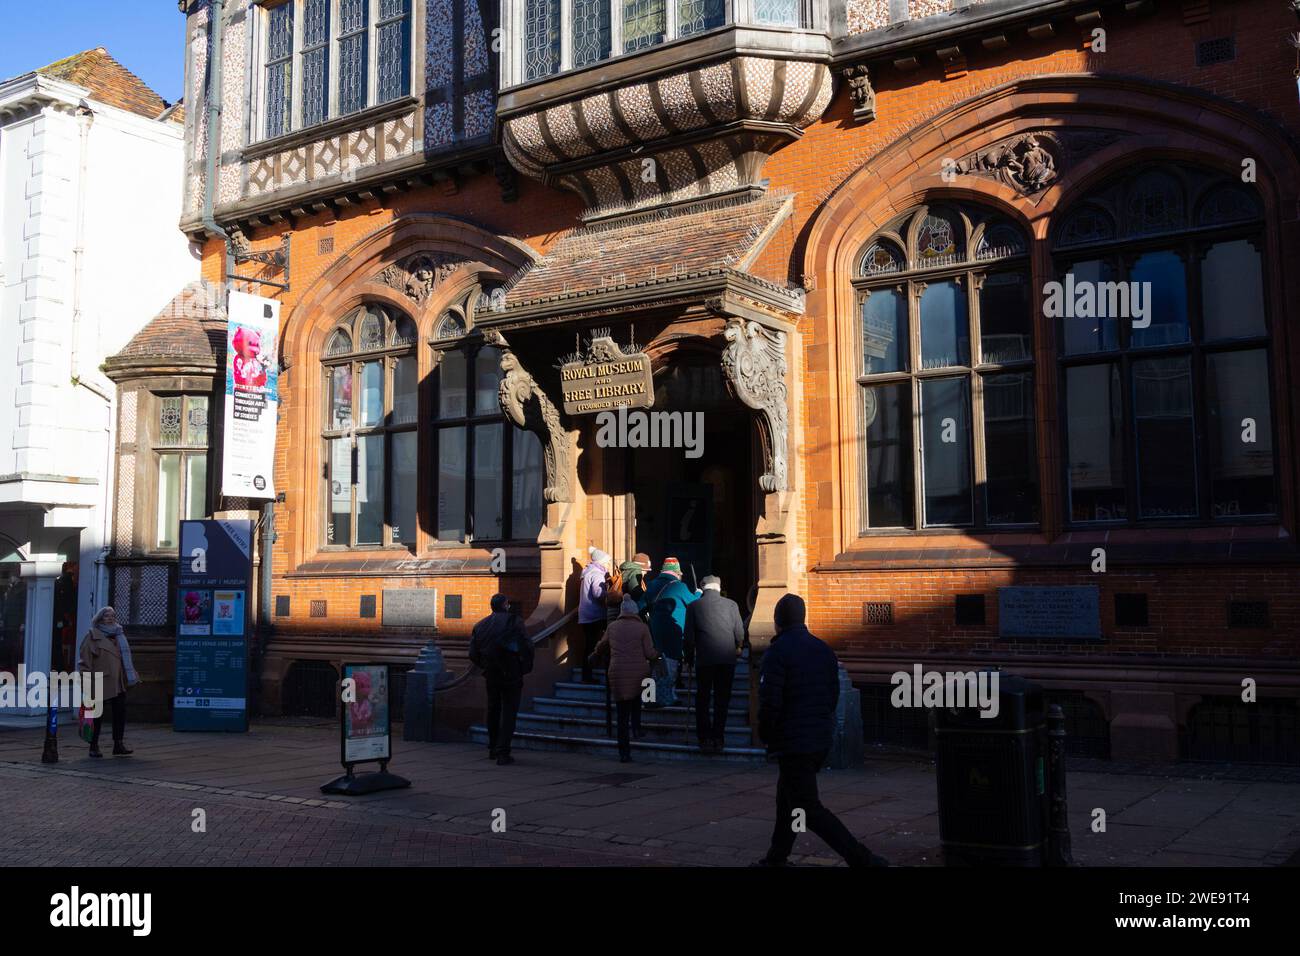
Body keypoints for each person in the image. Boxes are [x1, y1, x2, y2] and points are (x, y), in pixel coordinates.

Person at [754, 594, 889, 867]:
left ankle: (862, 859)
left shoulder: (776, 653)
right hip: (817, 737)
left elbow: (770, 702)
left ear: (777, 621)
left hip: (793, 741)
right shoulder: (823, 649)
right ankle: (776, 857)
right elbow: (832, 694)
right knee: (788, 800)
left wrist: (767, 735)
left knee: (808, 808)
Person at [592, 596, 660, 763]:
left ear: (622, 611)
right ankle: (637, 727)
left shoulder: (612, 627)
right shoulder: (642, 628)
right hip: (640, 673)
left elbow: (601, 646)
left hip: (617, 672)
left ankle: (624, 752)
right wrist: (659, 654)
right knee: (638, 698)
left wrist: (595, 654)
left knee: (622, 715)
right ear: (636, 611)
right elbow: (650, 653)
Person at [468, 594, 534, 765]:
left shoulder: (480, 625)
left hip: (491, 673)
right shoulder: (515, 621)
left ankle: (492, 748)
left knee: (493, 709)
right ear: (505, 605)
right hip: (511, 672)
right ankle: (503, 751)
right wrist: (524, 667)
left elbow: (472, 654)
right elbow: (527, 645)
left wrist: (485, 665)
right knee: (509, 712)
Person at [683, 575, 745, 754]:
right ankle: (718, 737)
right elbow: (739, 632)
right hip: (726, 659)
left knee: (702, 699)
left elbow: (688, 638)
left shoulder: (694, 606)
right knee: (722, 699)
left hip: (704, 660)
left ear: (704, 588)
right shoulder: (732, 605)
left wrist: (688, 658)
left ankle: (704, 738)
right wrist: (739, 646)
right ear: (718, 587)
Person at [78, 607, 137, 758]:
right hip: (99, 680)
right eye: (106, 616)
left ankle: (118, 744)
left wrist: (130, 674)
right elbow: (85, 661)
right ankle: (93, 745)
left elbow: (124, 658)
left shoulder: (119, 635)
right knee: (97, 715)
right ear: (99, 619)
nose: (110, 618)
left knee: (120, 712)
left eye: (112, 616)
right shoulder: (92, 636)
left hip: (118, 680)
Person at [646, 557, 700, 708]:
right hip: (673, 632)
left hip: (654, 629)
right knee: (671, 665)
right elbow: (694, 603)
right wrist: (698, 593)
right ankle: (669, 697)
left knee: (654, 665)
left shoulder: (651, 585)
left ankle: (648, 699)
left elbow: (642, 604)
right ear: (677, 573)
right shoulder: (679, 586)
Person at [577, 547, 614, 684]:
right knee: (602, 643)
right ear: (602, 561)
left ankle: (587, 675)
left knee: (589, 645)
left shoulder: (588, 572)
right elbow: (598, 594)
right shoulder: (597, 574)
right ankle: (597, 673)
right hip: (596, 615)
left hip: (586, 615)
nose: (609, 564)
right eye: (608, 561)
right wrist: (611, 593)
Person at [617, 553, 654, 622]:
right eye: (646, 570)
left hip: (622, 610)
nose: (646, 573)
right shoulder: (635, 572)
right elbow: (635, 592)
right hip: (630, 613)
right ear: (641, 568)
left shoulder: (627, 571)